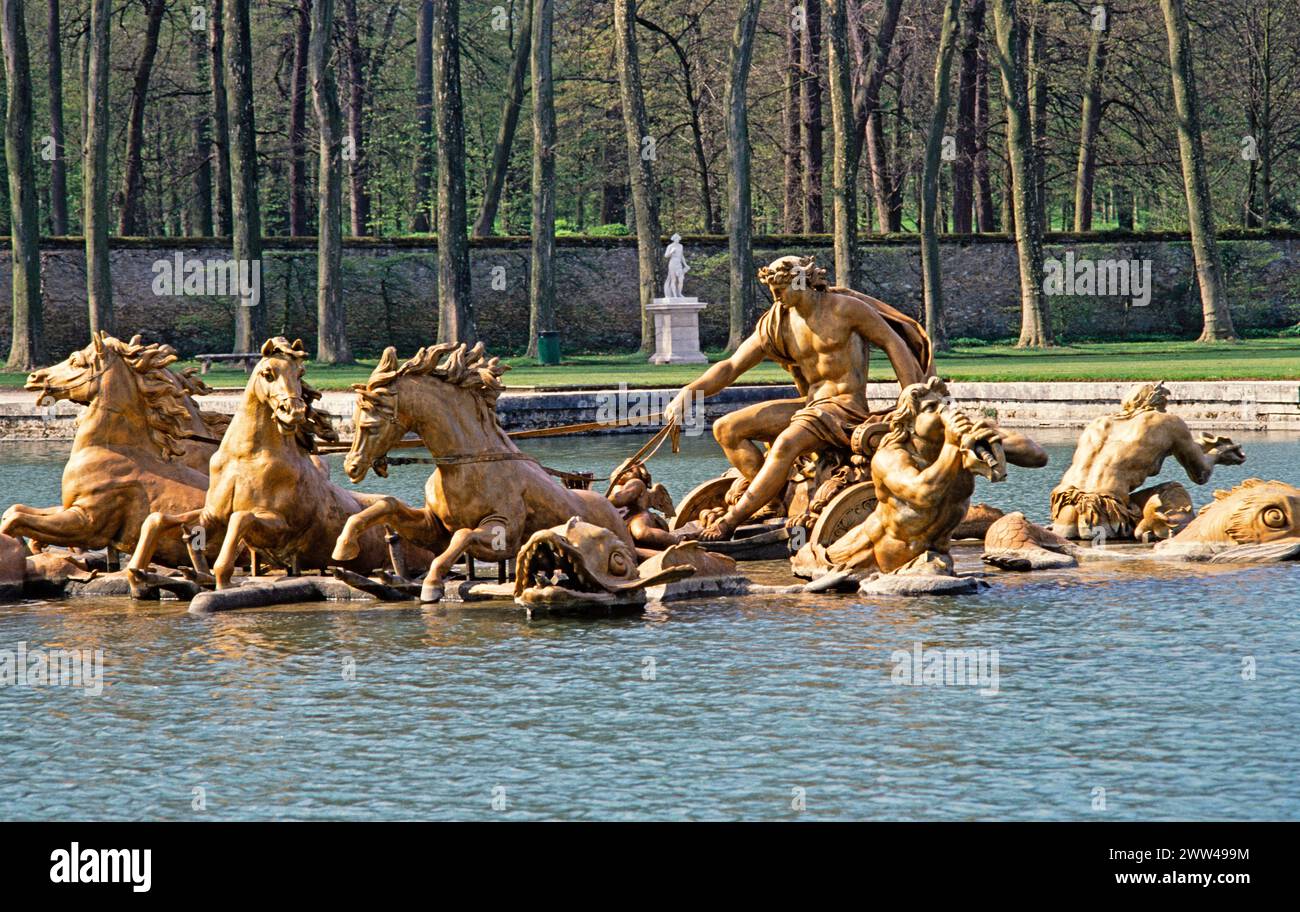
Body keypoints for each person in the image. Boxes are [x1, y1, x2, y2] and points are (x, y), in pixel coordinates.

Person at [1051, 381, 1245, 539]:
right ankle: (1159, 533)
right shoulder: (1168, 422)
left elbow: (1132, 456)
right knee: (1173, 492)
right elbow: (1200, 474)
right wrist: (1218, 454)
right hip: (1104, 516)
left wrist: (1199, 446)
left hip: (1063, 510)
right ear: (1160, 403)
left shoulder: (1099, 423)